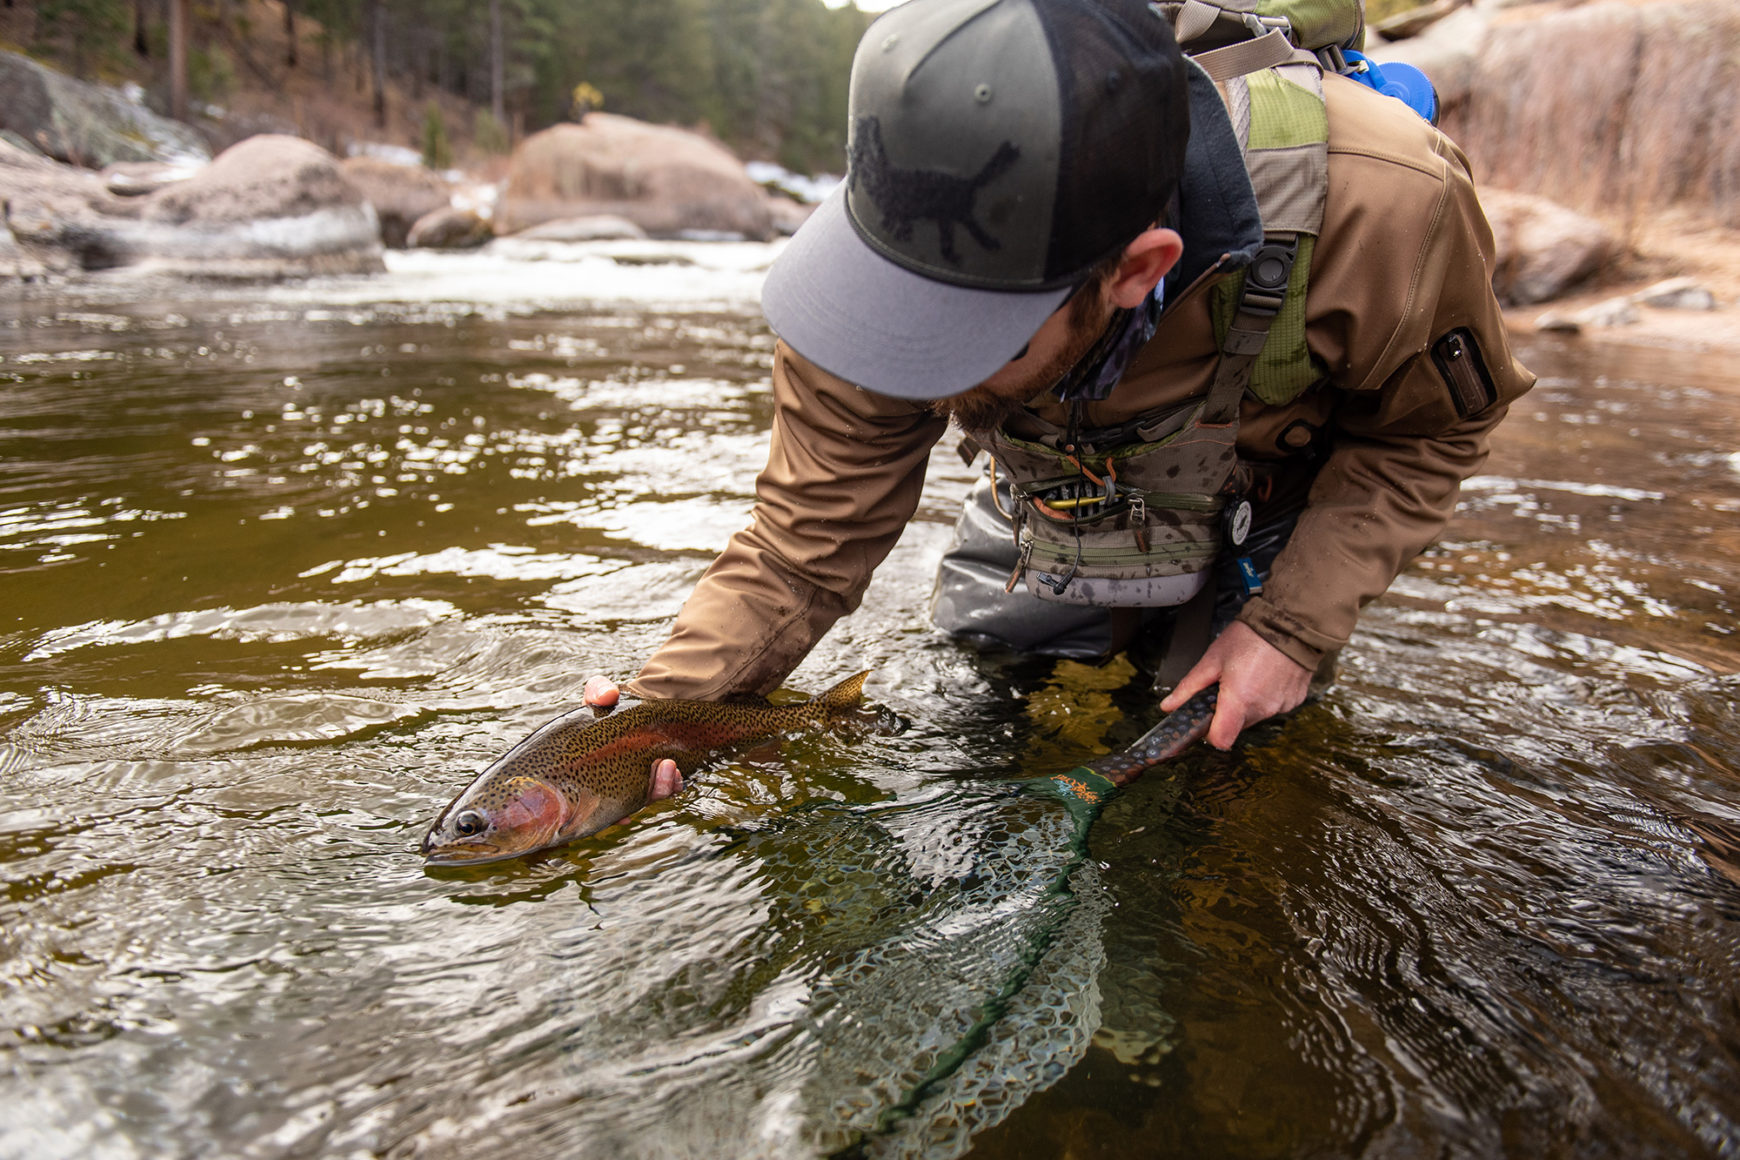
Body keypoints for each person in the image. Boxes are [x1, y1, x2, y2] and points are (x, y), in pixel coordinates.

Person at [584, 0, 1534, 793]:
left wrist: (1289, 627)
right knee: (969, 717)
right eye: (892, 307)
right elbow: (804, 541)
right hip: (1058, 491)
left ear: (1135, 272)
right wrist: (643, 729)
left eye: (961, 337)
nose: (901, 365)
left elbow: (1429, 437)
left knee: (1212, 785)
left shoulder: (1390, 204)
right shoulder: (880, 256)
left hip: (1272, 500)